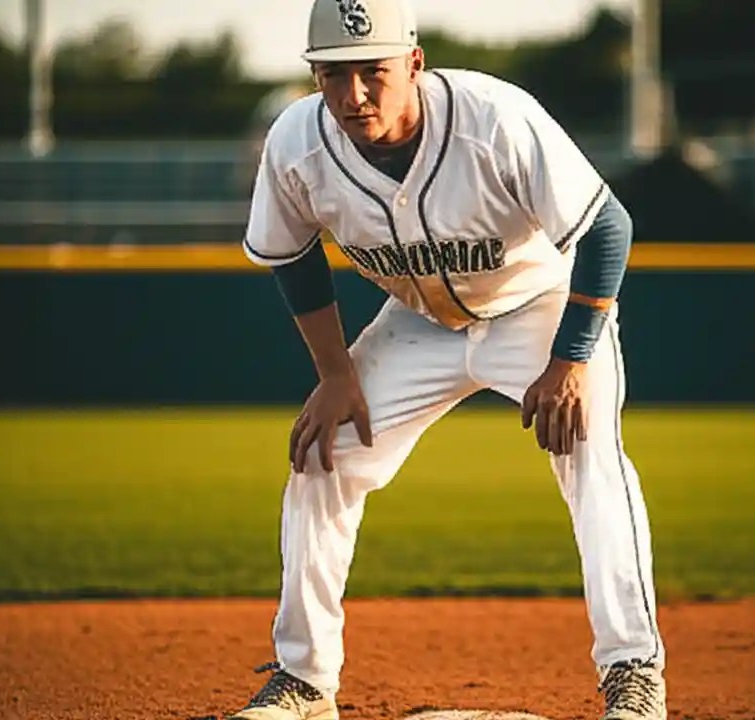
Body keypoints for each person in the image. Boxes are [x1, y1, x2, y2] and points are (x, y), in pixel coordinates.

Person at [233, 0, 665, 718]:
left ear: (414, 63)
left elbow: (607, 228)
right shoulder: (297, 142)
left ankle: (634, 671)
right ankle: (304, 681)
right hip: (420, 322)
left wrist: (570, 360)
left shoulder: (493, 119)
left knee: (592, 458)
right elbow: (292, 255)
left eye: (372, 71)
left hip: (536, 307)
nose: (353, 94)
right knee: (323, 456)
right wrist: (336, 374)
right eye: (333, 75)